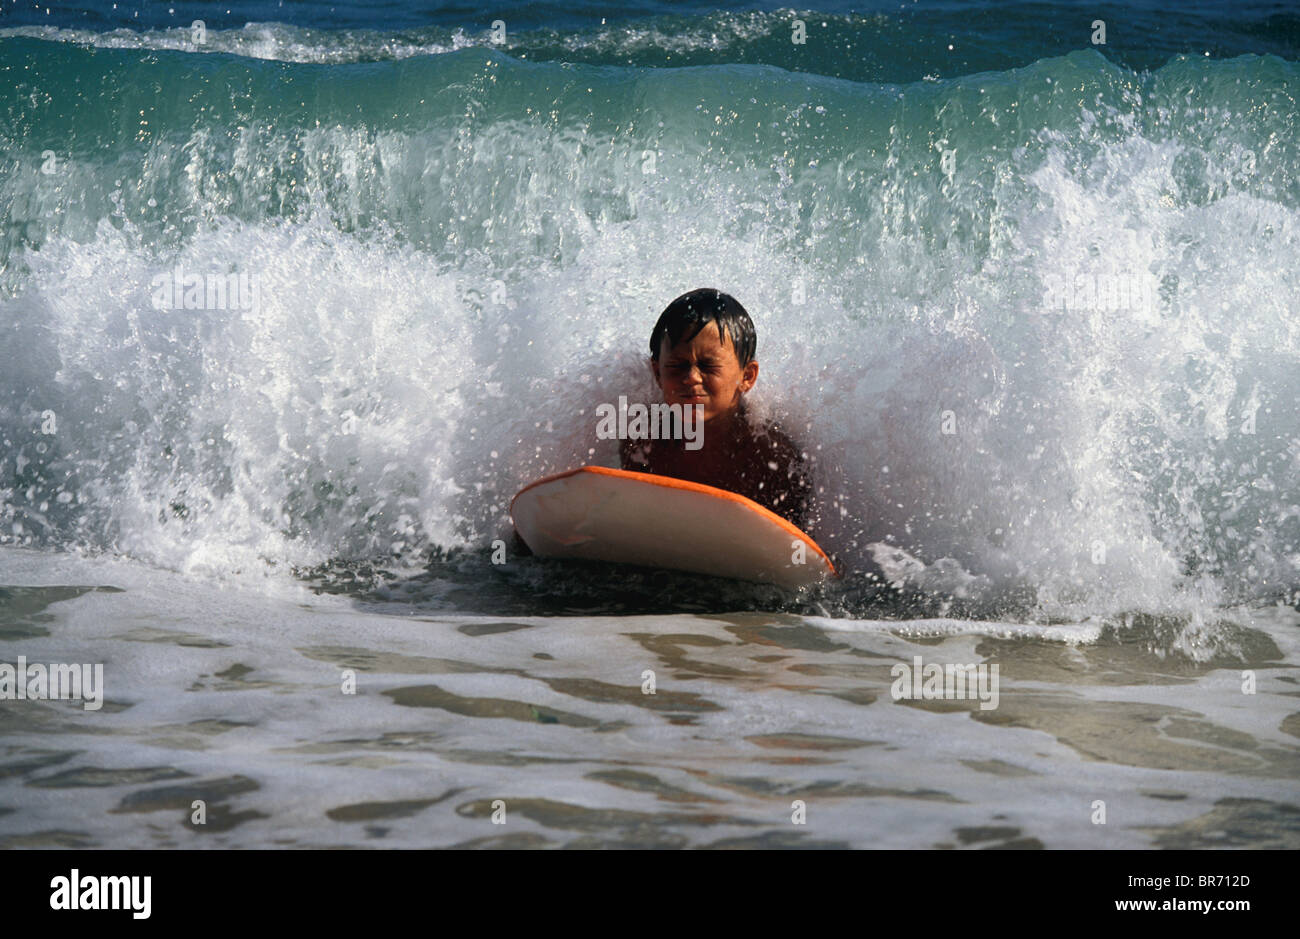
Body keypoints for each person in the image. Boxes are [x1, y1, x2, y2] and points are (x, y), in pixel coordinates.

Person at [620, 288, 814, 532]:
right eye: (677, 366)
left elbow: (799, 544)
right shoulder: (643, 442)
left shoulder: (773, 460)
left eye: (708, 365)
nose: (691, 377)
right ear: (658, 373)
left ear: (747, 376)